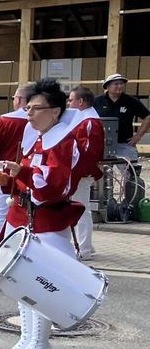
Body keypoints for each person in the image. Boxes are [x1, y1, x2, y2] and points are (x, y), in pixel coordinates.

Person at [0, 79, 85, 349]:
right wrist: (16, 174)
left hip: (43, 219)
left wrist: (21, 173)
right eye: (28, 107)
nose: (29, 113)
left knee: (38, 281)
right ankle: (27, 340)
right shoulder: (42, 136)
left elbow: (52, 187)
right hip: (25, 215)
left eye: (35, 108)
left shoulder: (62, 139)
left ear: (55, 111)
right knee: (21, 280)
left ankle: (38, 342)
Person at [0, 84, 32, 254]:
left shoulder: (4, 120)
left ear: (18, 99)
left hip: (1, 170)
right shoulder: (41, 121)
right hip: (28, 173)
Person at [68, 86, 103, 260]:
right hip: (79, 171)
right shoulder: (86, 119)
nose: (69, 103)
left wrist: (80, 172)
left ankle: (84, 248)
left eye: (71, 100)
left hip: (80, 172)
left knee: (80, 209)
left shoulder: (89, 121)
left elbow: (88, 151)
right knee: (80, 208)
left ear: (80, 102)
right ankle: (84, 244)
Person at [93, 73, 149, 147]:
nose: (119, 86)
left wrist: (138, 136)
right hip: (100, 143)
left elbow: (148, 117)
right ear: (107, 86)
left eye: (121, 83)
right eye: (116, 84)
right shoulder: (96, 101)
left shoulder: (131, 101)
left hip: (125, 144)